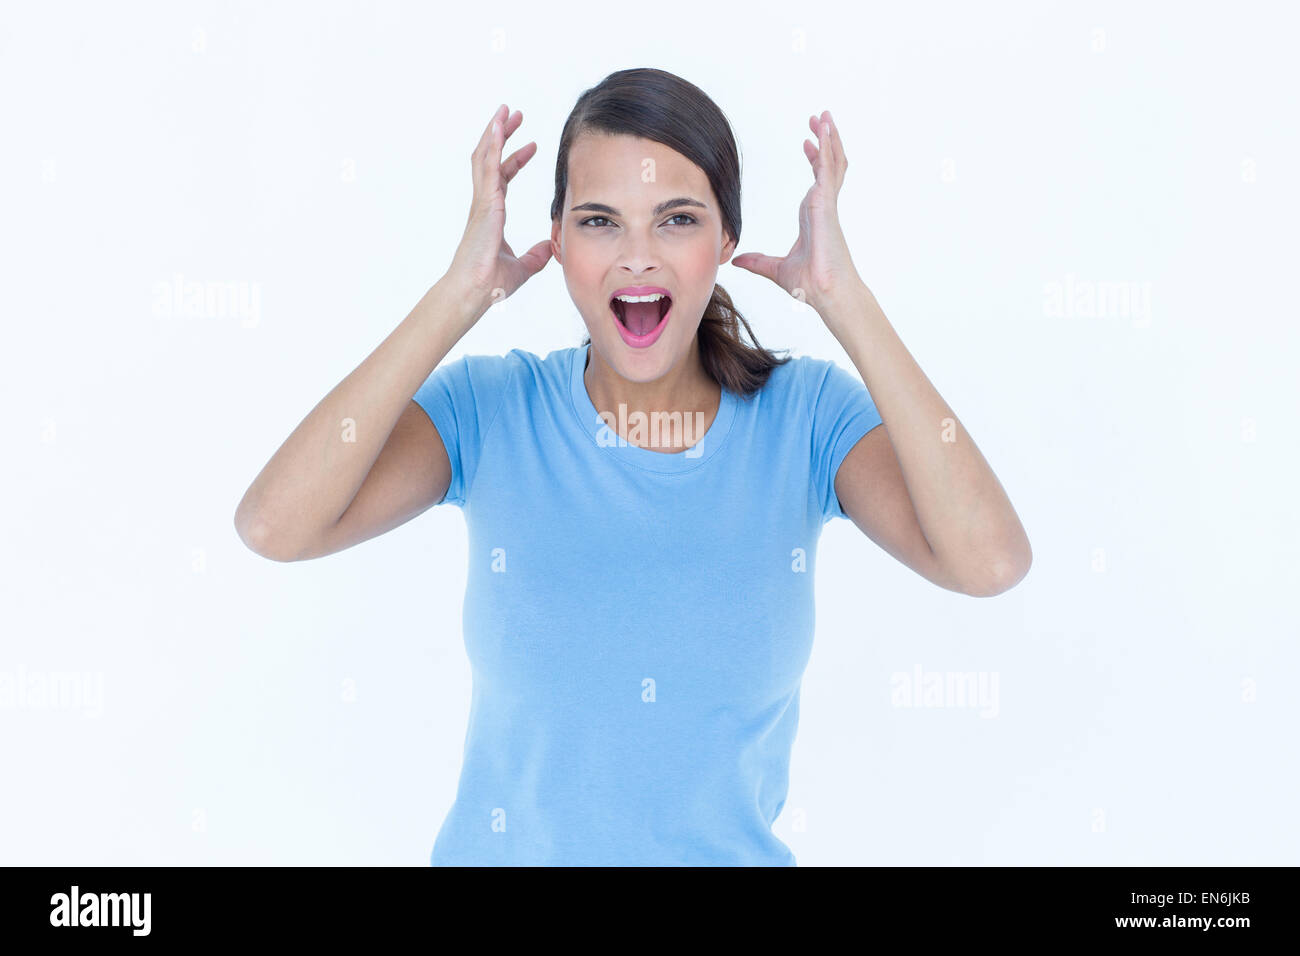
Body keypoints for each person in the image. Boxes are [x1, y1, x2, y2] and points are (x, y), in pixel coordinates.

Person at [234, 68, 1032, 866]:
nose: (638, 258)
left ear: (726, 239)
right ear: (555, 238)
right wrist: (461, 293)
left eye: (678, 219)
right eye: (600, 222)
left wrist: (841, 296)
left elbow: (989, 562)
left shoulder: (808, 419)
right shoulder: (492, 410)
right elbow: (275, 525)